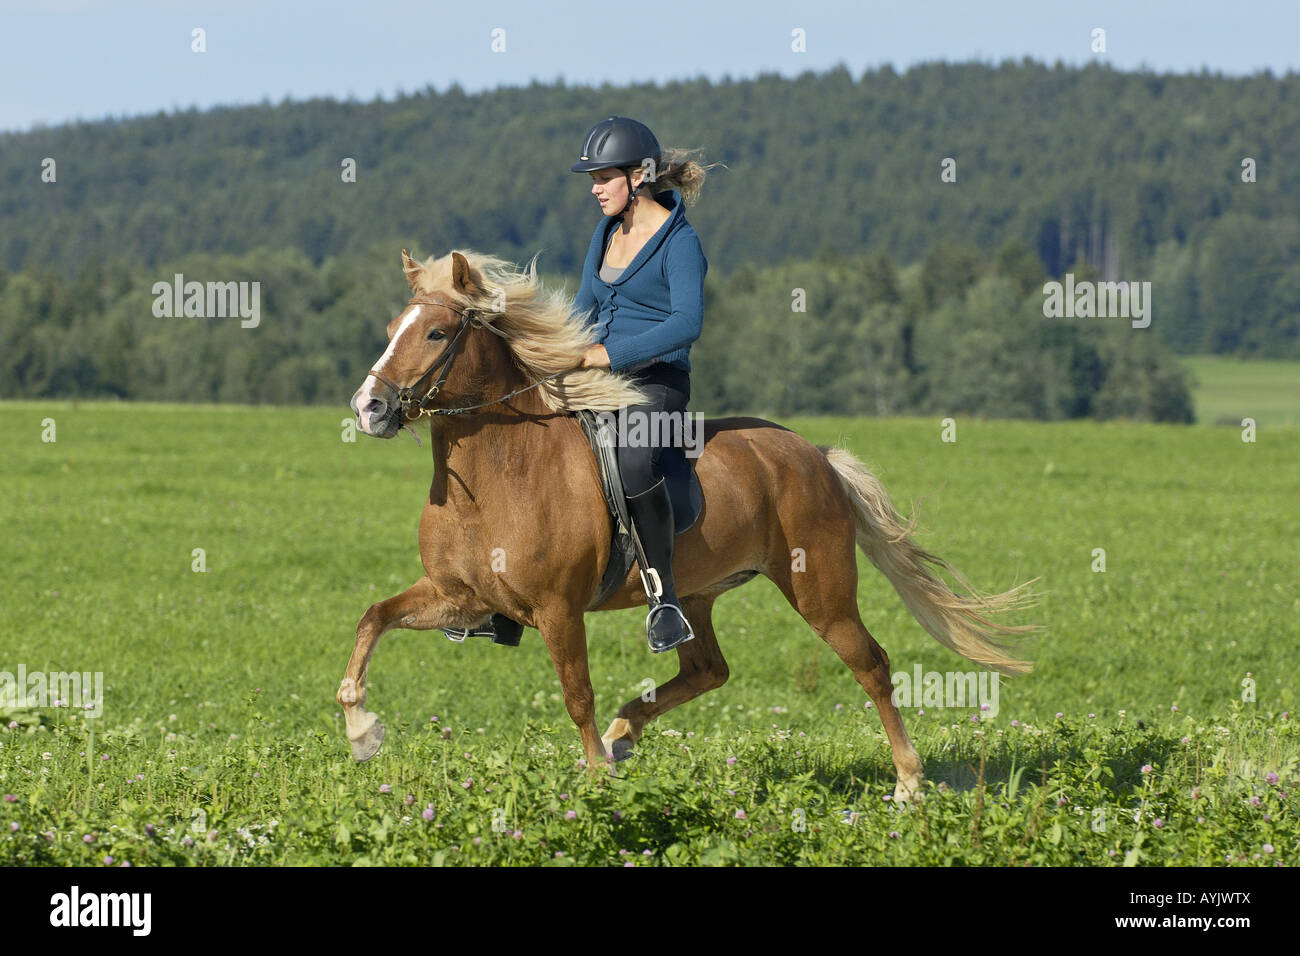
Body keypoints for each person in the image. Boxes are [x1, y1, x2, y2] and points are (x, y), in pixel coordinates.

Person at [568, 116, 716, 652]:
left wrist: (608, 355)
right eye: (592, 179)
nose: (594, 189)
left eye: (602, 177)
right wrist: (555, 354)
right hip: (595, 375)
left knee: (633, 458)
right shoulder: (606, 233)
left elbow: (686, 323)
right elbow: (584, 306)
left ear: (639, 176)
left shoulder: (681, 243)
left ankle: (665, 597)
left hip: (657, 383)